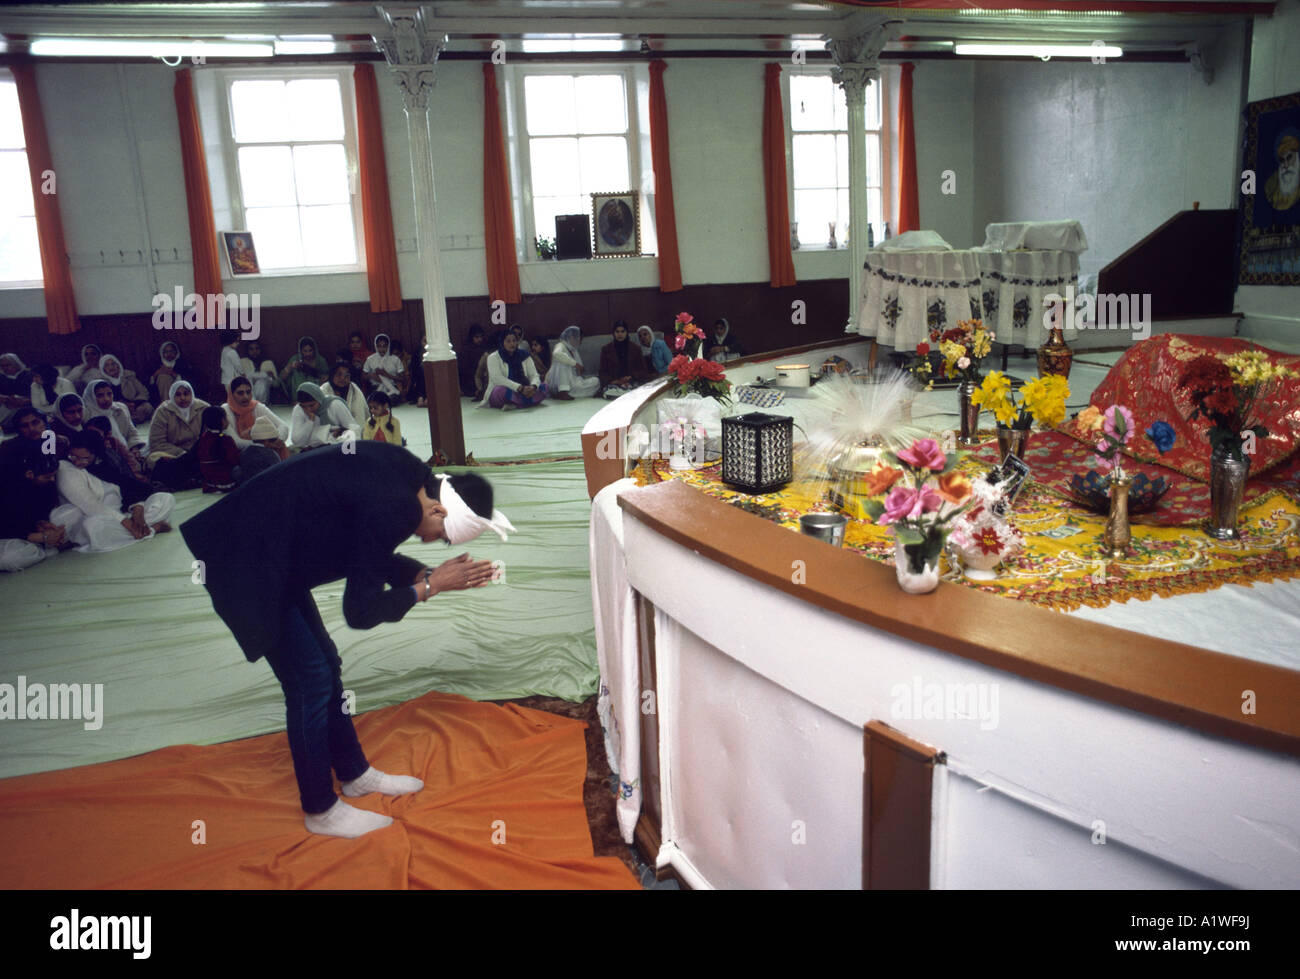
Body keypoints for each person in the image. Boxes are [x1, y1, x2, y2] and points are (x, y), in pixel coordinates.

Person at [179, 444, 513, 838]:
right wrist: (430, 587)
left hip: (266, 549)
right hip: (245, 559)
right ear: (439, 511)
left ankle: (355, 774)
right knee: (310, 680)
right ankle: (320, 809)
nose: (427, 542)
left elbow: (367, 554)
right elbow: (360, 611)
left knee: (324, 664)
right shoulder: (398, 504)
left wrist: (427, 576)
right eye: (440, 537)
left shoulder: (408, 475)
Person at [52, 431, 174, 552]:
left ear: (96, 455)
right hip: (94, 517)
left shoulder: (104, 462)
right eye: (73, 456)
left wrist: (137, 509)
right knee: (93, 527)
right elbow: (89, 505)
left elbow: (130, 486)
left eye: (85, 458)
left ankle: (139, 530)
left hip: (122, 513)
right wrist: (127, 523)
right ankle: (151, 529)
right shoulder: (65, 468)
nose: (78, 462)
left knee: (165, 498)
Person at [0, 407, 72, 550]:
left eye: (35, 422)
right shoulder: (9, 449)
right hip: (21, 503)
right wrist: (31, 481)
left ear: (44, 423)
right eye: (25, 426)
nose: (32, 429)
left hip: (56, 500)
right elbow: (9, 488)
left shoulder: (57, 442)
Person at [148, 380, 209, 489]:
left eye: (186, 394)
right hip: (174, 455)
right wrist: (182, 453)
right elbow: (156, 443)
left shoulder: (203, 408)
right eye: (178, 394)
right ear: (171, 396)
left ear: (192, 394)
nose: (183, 398)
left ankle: (185, 479)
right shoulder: (163, 412)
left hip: (198, 453)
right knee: (155, 459)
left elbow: (212, 434)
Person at [83, 380, 147, 469]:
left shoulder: (120, 408)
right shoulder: (86, 414)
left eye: (109, 394)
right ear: (92, 397)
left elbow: (131, 432)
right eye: (100, 395)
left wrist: (134, 448)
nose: (106, 399)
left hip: (128, 451)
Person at [480, 330, 547, 410]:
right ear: (502, 342)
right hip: (508, 389)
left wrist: (533, 387)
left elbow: (534, 375)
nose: (512, 344)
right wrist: (520, 388)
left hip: (525, 389)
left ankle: (516, 404)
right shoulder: (493, 357)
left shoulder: (524, 355)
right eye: (508, 341)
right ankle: (527, 402)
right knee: (500, 391)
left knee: (544, 386)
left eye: (514, 341)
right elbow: (498, 379)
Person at [223, 376, 288, 456]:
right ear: (231, 394)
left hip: (265, 448)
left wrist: (278, 440)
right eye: (240, 393)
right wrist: (263, 446)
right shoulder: (225, 410)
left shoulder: (256, 406)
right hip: (239, 455)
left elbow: (283, 426)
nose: (246, 397)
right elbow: (235, 442)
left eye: (248, 392)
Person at [289, 382, 361, 451]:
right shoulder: (299, 409)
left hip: (338, 448)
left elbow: (353, 429)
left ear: (319, 399)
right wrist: (310, 421)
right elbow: (297, 441)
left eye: (312, 405)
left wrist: (340, 435)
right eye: (304, 407)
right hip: (313, 450)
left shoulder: (334, 405)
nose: (308, 410)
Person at [545, 326, 601, 401]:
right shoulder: (560, 345)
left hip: (571, 382)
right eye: (579, 339)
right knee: (563, 362)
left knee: (596, 381)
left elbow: (580, 371)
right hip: (557, 383)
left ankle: (567, 393)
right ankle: (562, 392)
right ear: (571, 337)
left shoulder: (574, 350)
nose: (580, 342)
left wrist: (580, 370)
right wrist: (575, 364)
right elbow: (556, 354)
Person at [598, 320, 649, 398]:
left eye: (623, 331)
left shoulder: (635, 348)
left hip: (631, 382)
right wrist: (615, 381)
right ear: (613, 333)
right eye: (617, 331)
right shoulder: (606, 349)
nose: (620, 334)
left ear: (627, 332)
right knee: (611, 392)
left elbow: (643, 371)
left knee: (636, 392)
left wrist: (631, 377)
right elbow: (602, 372)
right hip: (614, 384)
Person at [196, 405, 241, 493]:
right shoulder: (225, 439)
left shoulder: (203, 438)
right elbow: (234, 460)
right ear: (222, 421)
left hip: (208, 483)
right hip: (224, 481)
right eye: (226, 418)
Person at [97, 353, 153, 422]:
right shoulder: (101, 382)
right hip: (116, 408)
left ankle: (132, 420)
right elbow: (103, 401)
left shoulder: (129, 376)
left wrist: (135, 404)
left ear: (118, 365)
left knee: (147, 407)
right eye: (107, 365)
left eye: (113, 364)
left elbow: (143, 392)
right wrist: (123, 405)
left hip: (134, 405)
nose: (111, 367)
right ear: (103, 369)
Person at [279, 337, 329, 403]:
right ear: (301, 351)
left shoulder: (320, 361)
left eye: (310, 350)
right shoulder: (295, 359)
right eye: (305, 351)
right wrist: (290, 367)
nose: (308, 354)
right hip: (298, 388)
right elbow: (282, 377)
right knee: (295, 373)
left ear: (314, 350)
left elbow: (326, 378)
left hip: (315, 389)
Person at [149, 341, 197, 406]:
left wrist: (172, 374)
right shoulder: (156, 364)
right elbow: (149, 383)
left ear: (176, 352)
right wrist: (157, 374)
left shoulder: (182, 364)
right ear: (162, 353)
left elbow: (189, 381)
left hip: (181, 394)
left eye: (171, 351)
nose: (169, 354)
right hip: (160, 398)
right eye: (166, 352)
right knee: (163, 377)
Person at [363, 333, 404, 401]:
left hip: (392, 386)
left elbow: (402, 379)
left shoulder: (395, 359)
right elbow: (363, 376)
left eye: (384, 346)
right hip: (376, 387)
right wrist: (371, 376)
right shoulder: (370, 359)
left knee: (392, 399)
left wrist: (386, 375)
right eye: (379, 346)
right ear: (376, 346)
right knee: (376, 398)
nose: (382, 349)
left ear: (388, 346)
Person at [238, 340, 278, 405]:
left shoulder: (268, 363)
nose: (254, 351)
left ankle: (260, 405)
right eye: (251, 349)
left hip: (264, 396)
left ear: (260, 350)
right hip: (246, 395)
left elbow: (276, 384)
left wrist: (272, 377)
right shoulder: (242, 362)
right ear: (247, 351)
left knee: (261, 382)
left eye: (257, 348)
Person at [0, 353, 32, 430]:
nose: (5, 368)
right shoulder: (1, 377)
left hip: (25, 404)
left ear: (17, 364)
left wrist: (23, 401)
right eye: (2, 366)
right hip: (6, 404)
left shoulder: (28, 375)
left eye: (8, 365)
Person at [457, 324, 488, 398]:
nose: (480, 339)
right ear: (472, 337)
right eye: (477, 337)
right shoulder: (465, 350)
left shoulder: (484, 347)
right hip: (469, 380)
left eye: (481, 337)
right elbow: (463, 370)